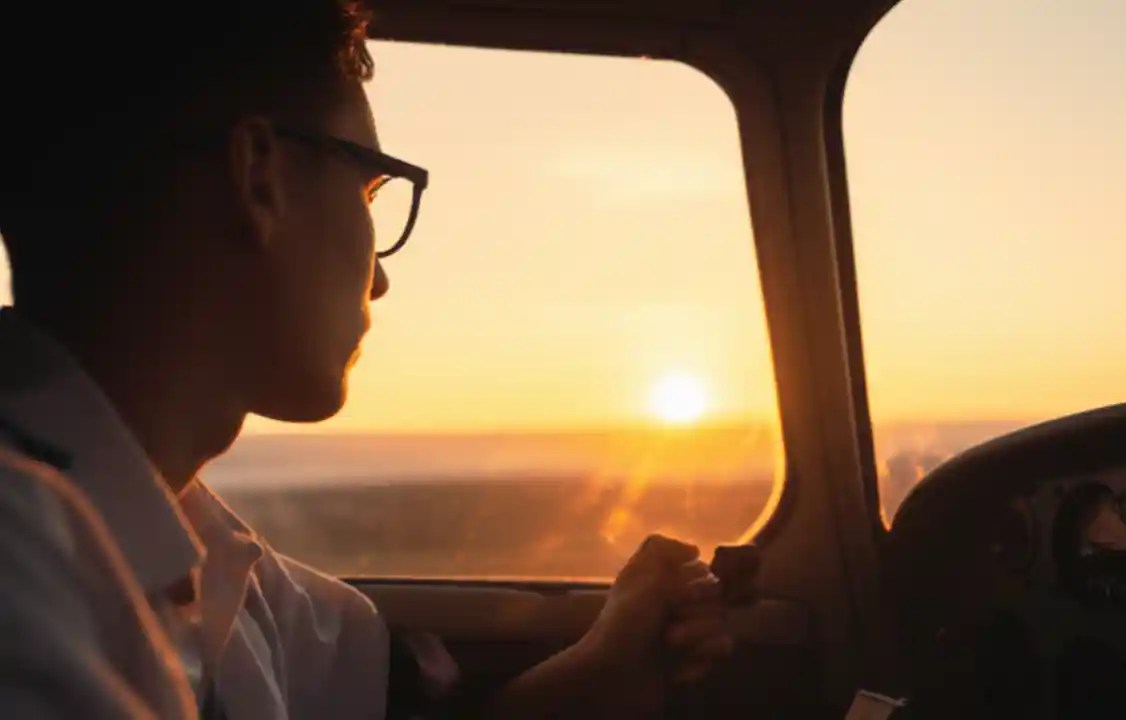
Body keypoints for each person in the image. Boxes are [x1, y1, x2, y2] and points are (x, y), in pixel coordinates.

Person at [0, 1, 734, 717]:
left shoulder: (219, 568)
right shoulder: (23, 560)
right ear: (258, 176)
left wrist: (597, 677)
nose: (379, 277)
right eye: (370, 191)